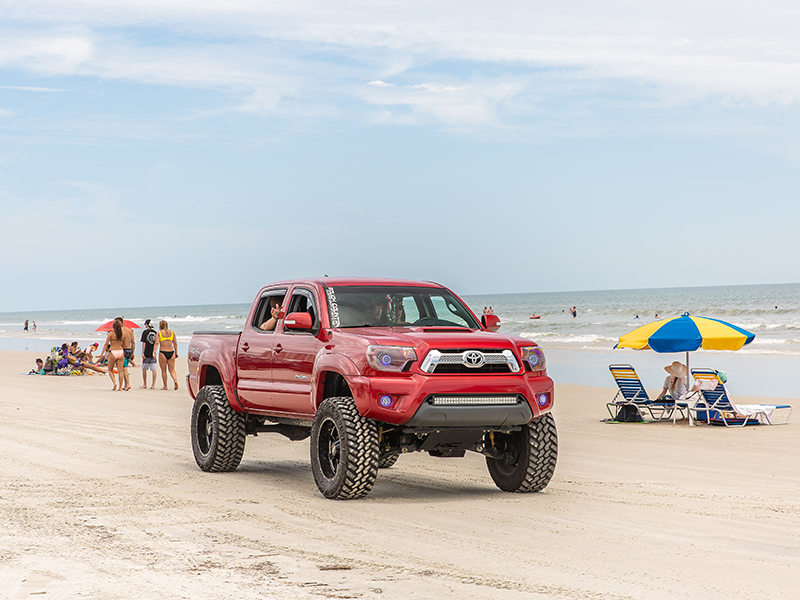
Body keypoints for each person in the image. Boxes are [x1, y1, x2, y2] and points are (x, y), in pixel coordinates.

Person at [103, 319, 126, 390]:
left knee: (110, 370)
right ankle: (121, 387)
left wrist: (101, 354)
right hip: (121, 351)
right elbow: (125, 344)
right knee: (120, 371)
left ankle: (114, 382)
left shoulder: (111, 334)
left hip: (113, 352)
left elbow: (106, 344)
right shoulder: (123, 334)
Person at [156, 320, 179, 390]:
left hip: (163, 352)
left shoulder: (159, 333)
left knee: (163, 370)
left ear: (160, 326)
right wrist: (176, 352)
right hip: (171, 352)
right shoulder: (172, 333)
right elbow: (175, 343)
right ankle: (175, 380)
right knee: (172, 370)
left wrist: (153, 352)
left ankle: (165, 386)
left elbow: (156, 343)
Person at [140, 319, 158, 389]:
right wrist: (154, 351)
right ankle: (153, 385)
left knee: (144, 369)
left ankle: (145, 384)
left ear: (147, 325)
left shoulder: (145, 332)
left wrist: (143, 353)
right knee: (153, 369)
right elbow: (156, 343)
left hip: (147, 352)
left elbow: (144, 343)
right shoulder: (155, 332)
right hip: (153, 352)